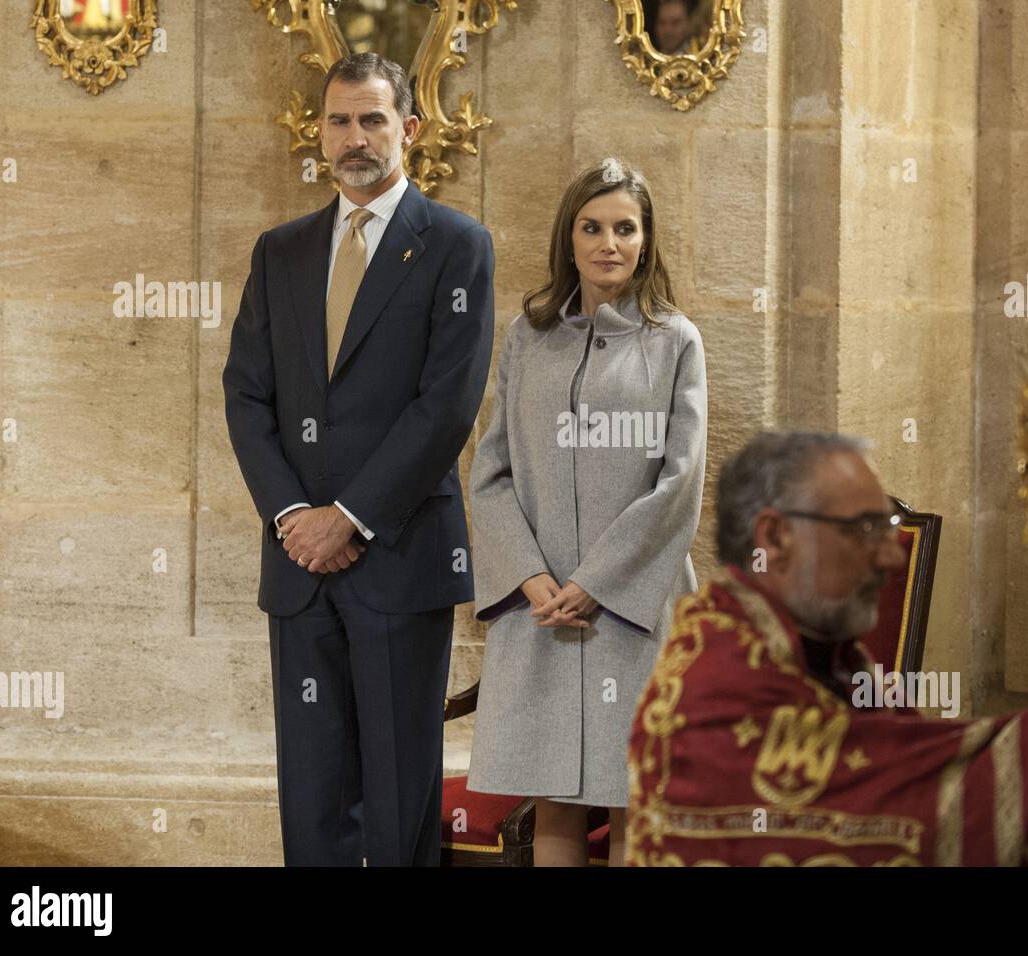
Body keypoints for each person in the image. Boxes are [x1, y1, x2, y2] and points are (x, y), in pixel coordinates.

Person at [628, 432, 1028, 866]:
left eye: (889, 529)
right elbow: (862, 808)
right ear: (775, 538)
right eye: (865, 529)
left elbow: (891, 755)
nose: (893, 560)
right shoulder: (708, 686)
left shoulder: (835, 659)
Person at [222, 52, 494, 866]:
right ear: (320, 132)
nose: (355, 138)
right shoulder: (281, 252)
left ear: (408, 129)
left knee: (401, 791)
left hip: (399, 557)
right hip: (298, 567)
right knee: (311, 793)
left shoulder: (456, 246)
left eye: (373, 119)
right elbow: (246, 395)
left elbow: (446, 406)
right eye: (339, 120)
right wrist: (292, 519)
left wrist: (350, 517)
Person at [466, 159, 707, 866]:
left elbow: (680, 480)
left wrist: (596, 584)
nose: (609, 242)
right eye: (592, 227)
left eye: (624, 228)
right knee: (556, 805)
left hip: (635, 609)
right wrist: (533, 579)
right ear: (568, 239)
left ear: (646, 239)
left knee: (636, 796)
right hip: (539, 612)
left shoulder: (675, 340)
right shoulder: (528, 338)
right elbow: (490, 472)